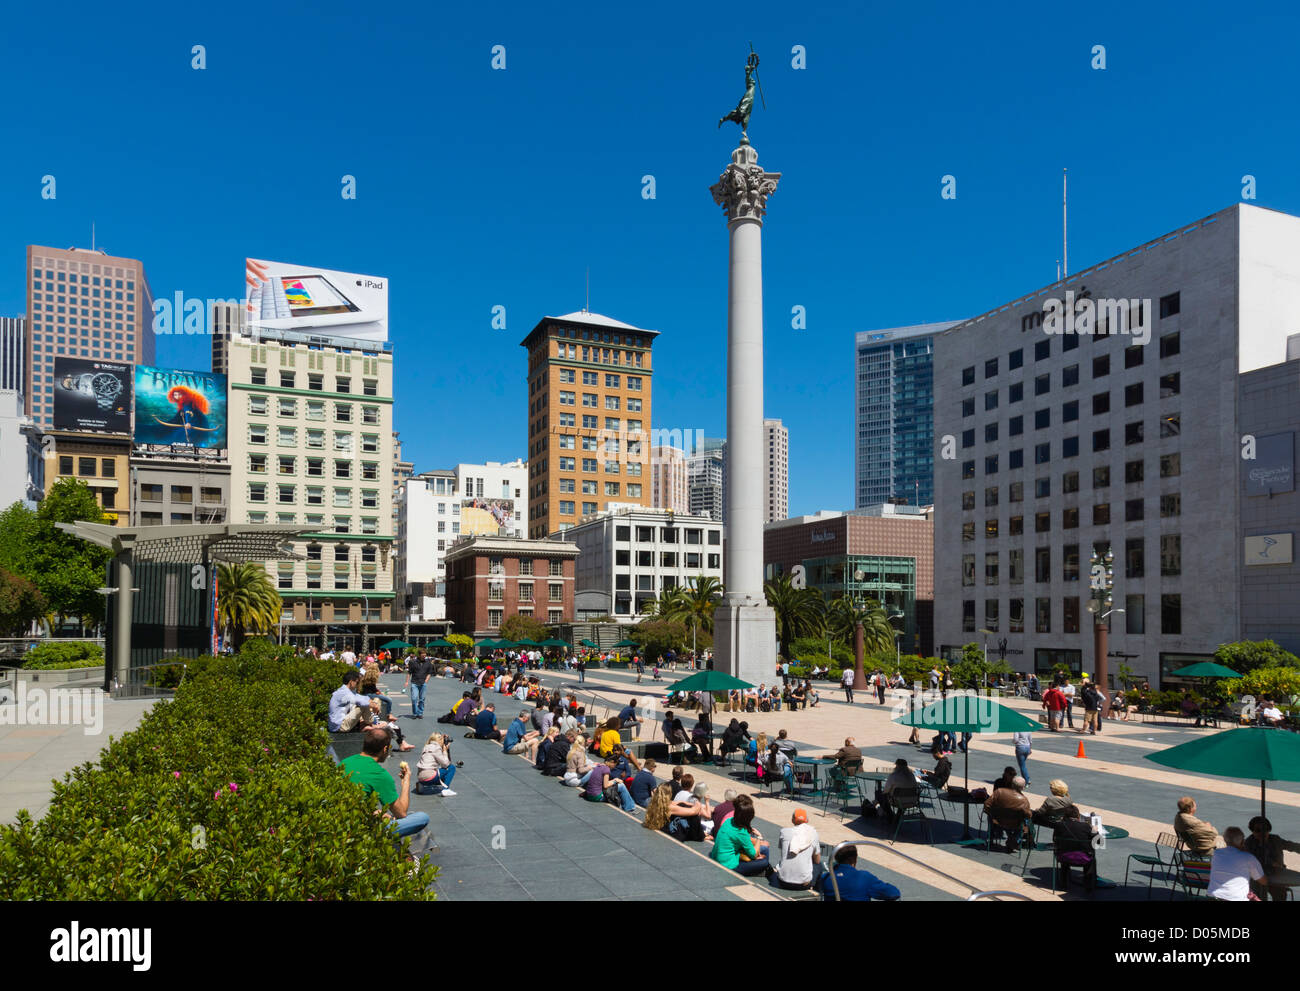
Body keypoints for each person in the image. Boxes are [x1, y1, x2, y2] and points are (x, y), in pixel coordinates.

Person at [338, 726, 430, 840]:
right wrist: (406, 782)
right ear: (385, 749)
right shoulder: (379, 774)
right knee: (422, 817)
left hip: (341, 820)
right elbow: (401, 814)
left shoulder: (345, 762)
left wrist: (374, 812)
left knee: (390, 815)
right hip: (362, 829)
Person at [710, 794, 770, 877]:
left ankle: (763, 869)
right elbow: (753, 854)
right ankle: (762, 871)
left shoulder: (729, 821)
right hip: (728, 865)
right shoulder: (741, 831)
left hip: (717, 857)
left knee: (763, 849)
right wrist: (759, 837)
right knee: (764, 860)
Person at [1244, 816, 1300, 901]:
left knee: (1280, 896)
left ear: (1269, 829)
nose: (1262, 833)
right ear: (1252, 831)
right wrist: (1272, 863)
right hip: (1258, 878)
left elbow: (1291, 846)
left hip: (1278, 875)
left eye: (1265, 830)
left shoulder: (1275, 839)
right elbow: (1252, 860)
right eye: (1258, 831)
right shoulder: (1248, 843)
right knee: (1258, 897)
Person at [817, 845, 901, 901]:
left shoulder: (825, 878)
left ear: (837, 859)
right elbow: (894, 893)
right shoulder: (865, 878)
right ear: (855, 860)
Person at [1208, 827, 1265, 901]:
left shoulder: (1216, 853)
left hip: (1212, 897)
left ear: (1225, 840)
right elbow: (1263, 881)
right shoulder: (1248, 857)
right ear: (1242, 842)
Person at [776, 808, 823, 890]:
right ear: (807, 820)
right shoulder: (813, 833)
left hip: (783, 882)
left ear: (792, 820)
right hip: (802, 885)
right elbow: (817, 860)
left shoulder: (784, 832)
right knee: (819, 865)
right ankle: (815, 888)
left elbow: (783, 851)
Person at [1053, 805, 1098, 891]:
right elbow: (1099, 842)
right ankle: (1088, 885)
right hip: (1083, 858)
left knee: (1065, 850)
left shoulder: (1059, 825)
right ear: (1078, 815)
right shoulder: (1085, 826)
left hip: (1063, 857)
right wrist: (1095, 831)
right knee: (1092, 858)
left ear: (1064, 816)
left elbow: (1054, 839)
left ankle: (1063, 883)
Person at [983, 775, 1032, 852]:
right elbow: (1028, 815)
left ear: (1012, 784)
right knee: (1026, 821)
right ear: (1023, 788)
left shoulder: (999, 792)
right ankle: (1014, 840)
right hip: (1014, 824)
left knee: (990, 815)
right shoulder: (1024, 800)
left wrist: (991, 814)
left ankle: (990, 838)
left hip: (997, 821)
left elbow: (987, 805)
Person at [414, 731, 458, 796]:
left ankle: (421, 784)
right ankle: (446, 790)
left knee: (440, 773)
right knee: (451, 768)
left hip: (420, 777)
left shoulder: (426, 747)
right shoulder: (436, 748)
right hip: (430, 777)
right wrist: (445, 751)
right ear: (440, 740)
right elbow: (446, 764)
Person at [666, 773, 708, 841]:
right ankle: (701, 835)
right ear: (692, 785)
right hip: (685, 822)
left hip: (677, 818)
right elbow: (707, 815)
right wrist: (707, 802)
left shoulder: (678, 793)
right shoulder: (691, 798)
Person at [404, 651, 435, 719]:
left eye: (425, 655)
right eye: (423, 655)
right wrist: (407, 682)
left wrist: (426, 680)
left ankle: (420, 713)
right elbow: (409, 673)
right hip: (414, 683)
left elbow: (429, 673)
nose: (424, 656)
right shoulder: (413, 662)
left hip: (423, 683)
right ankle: (415, 713)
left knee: (422, 699)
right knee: (414, 698)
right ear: (419, 655)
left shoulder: (428, 663)